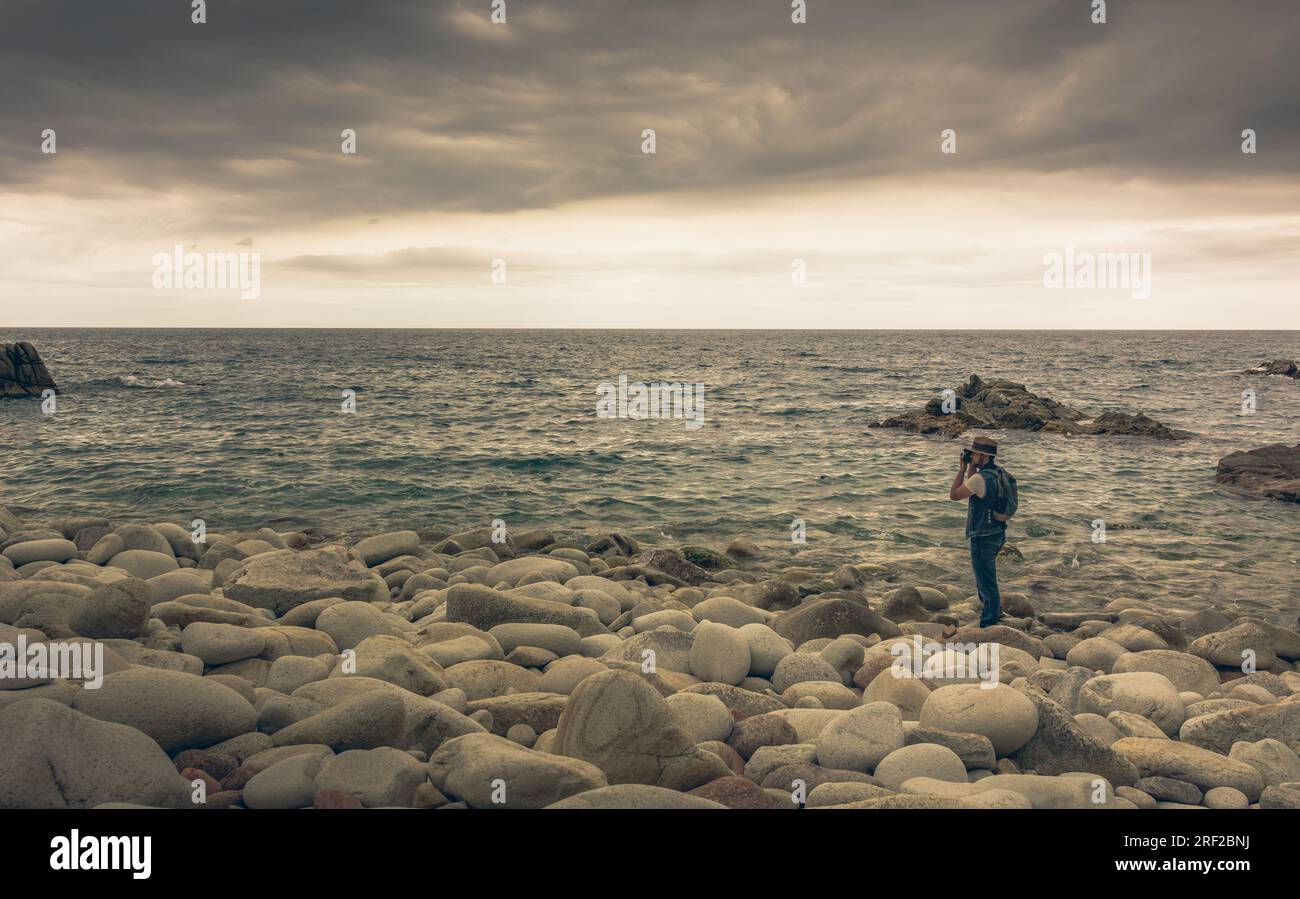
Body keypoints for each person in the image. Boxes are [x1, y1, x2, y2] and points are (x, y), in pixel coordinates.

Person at [948, 436, 1007, 627]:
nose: (971, 456)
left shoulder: (980, 479)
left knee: (987, 583)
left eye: (973, 454)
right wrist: (970, 467)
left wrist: (962, 468)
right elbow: (973, 485)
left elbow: (955, 495)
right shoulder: (1000, 473)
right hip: (998, 533)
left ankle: (989, 625)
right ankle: (996, 612)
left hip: (982, 537)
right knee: (985, 578)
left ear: (982, 455)